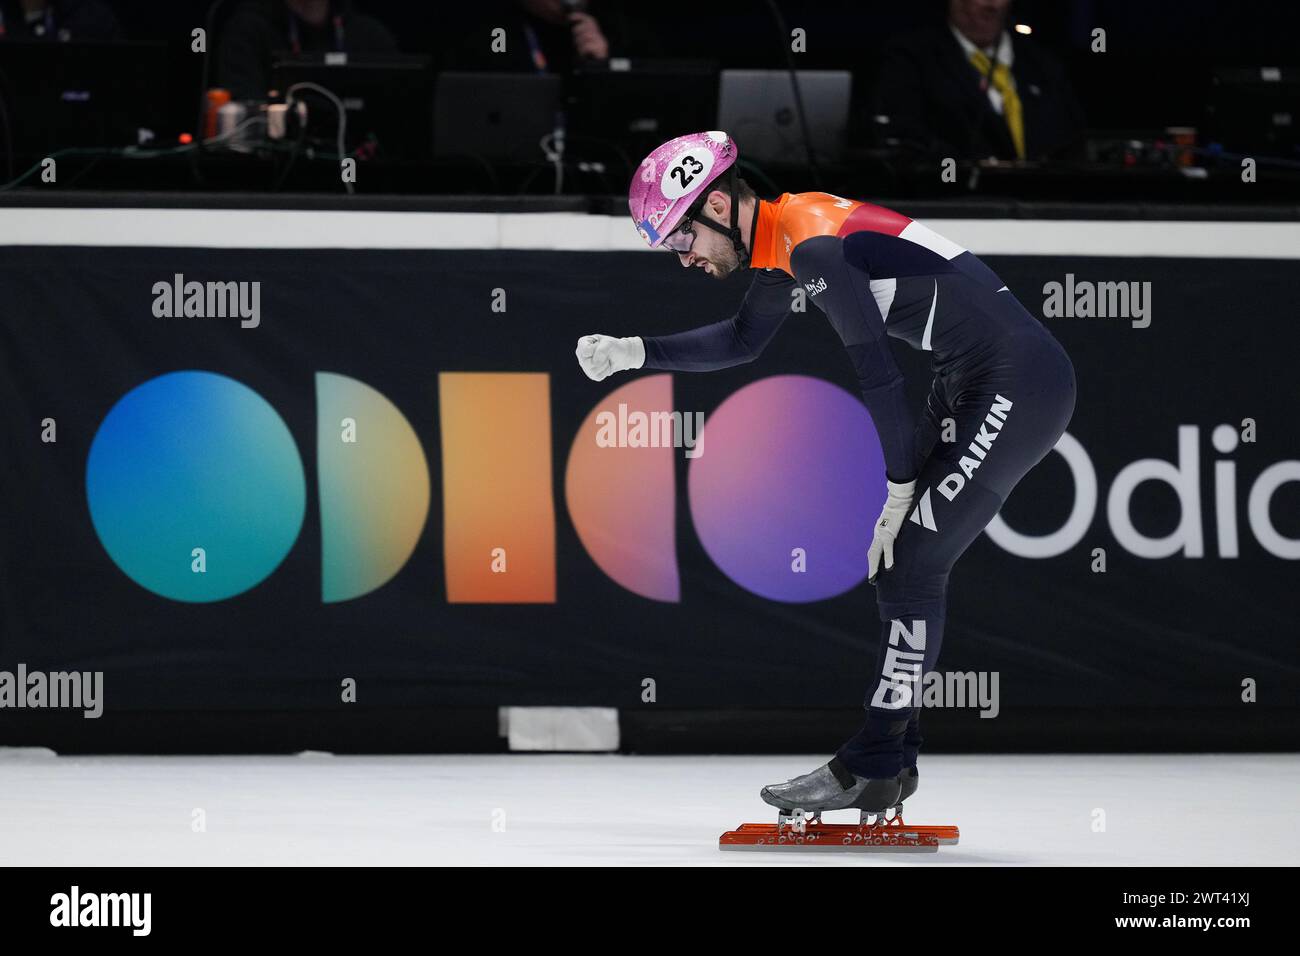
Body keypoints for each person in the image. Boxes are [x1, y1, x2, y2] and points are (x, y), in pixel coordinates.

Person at [575, 131, 1076, 817]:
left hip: (1018, 380)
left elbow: (877, 373)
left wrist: (900, 487)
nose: (681, 258)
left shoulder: (813, 245)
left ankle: (873, 762)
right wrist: (634, 351)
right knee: (903, 565)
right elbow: (741, 340)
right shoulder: (786, 236)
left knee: (913, 561)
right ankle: (891, 760)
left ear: (718, 203)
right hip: (975, 377)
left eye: (679, 238)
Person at [874, 0, 1083, 161]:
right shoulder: (910, 58)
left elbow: (1070, 142)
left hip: (1041, 204)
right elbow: (904, 139)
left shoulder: (1044, 65)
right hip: (954, 204)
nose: (992, 5)